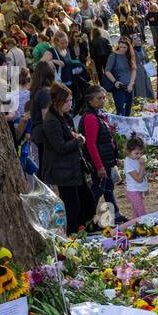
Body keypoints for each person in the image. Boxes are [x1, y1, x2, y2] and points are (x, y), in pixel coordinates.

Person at [35, 83, 96, 233]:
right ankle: (72, 233)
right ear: (58, 101)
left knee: (88, 200)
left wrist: (76, 139)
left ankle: (85, 227)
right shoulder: (51, 121)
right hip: (62, 169)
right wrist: (78, 141)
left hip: (73, 167)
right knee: (72, 205)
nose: (70, 103)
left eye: (71, 100)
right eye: (67, 101)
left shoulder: (65, 117)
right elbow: (60, 147)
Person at [80, 86, 122, 222]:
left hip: (106, 159)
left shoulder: (99, 114)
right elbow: (91, 144)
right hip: (99, 161)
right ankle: (86, 218)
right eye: (99, 98)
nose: (103, 100)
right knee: (97, 191)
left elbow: (100, 138)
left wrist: (110, 132)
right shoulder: (90, 117)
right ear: (90, 100)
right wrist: (99, 166)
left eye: (104, 97)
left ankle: (115, 216)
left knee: (108, 189)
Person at [103, 37, 137, 117]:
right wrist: (115, 81)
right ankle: (121, 127)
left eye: (124, 47)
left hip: (129, 87)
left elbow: (134, 70)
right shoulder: (113, 55)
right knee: (120, 110)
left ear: (128, 47)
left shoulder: (130, 55)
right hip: (119, 86)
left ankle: (128, 126)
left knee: (128, 108)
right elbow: (107, 71)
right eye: (120, 47)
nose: (122, 49)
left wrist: (131, 84)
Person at [122, 137, 148, 219]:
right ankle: (144, 228)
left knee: (136, 213)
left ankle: (136, 229)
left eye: (141, 153)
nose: (139, 155)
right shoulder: (128, 162)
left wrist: (146, 188)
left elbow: (143, 175)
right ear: (129, 151)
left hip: (138, 190)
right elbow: (139, 179)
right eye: (137, 153)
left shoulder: (136, 159)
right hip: (133, 191)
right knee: (142, 214)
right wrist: (143, 166)